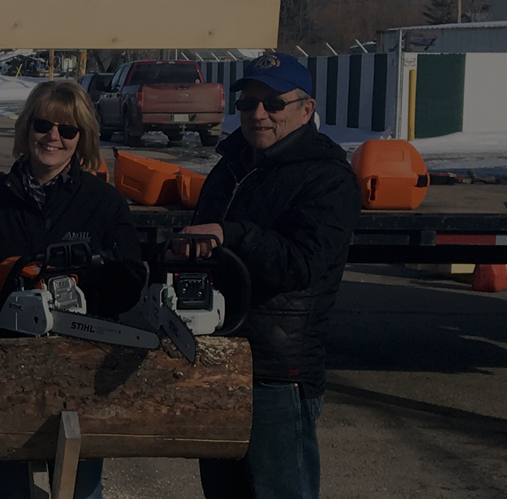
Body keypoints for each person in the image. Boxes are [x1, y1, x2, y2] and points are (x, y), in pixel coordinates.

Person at [184, 52, 360, 499]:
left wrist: (232, 235)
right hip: (218, 361)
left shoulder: (327, 176)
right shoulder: (231, 167)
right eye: (247, 103)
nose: (258, 113)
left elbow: (303, 263)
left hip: (277, 373)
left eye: (274, 103)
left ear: (306, 109)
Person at [0, 81, 146, 499]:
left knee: (81, 489)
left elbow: (131, 282)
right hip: (9, 366)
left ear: (82, 138)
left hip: (80, 365)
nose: (53, 137)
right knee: (12, 490)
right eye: (44, 125)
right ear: (27, 128)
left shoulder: (104, 202)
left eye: (67, 130)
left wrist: (83, 282)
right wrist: (1, 285)